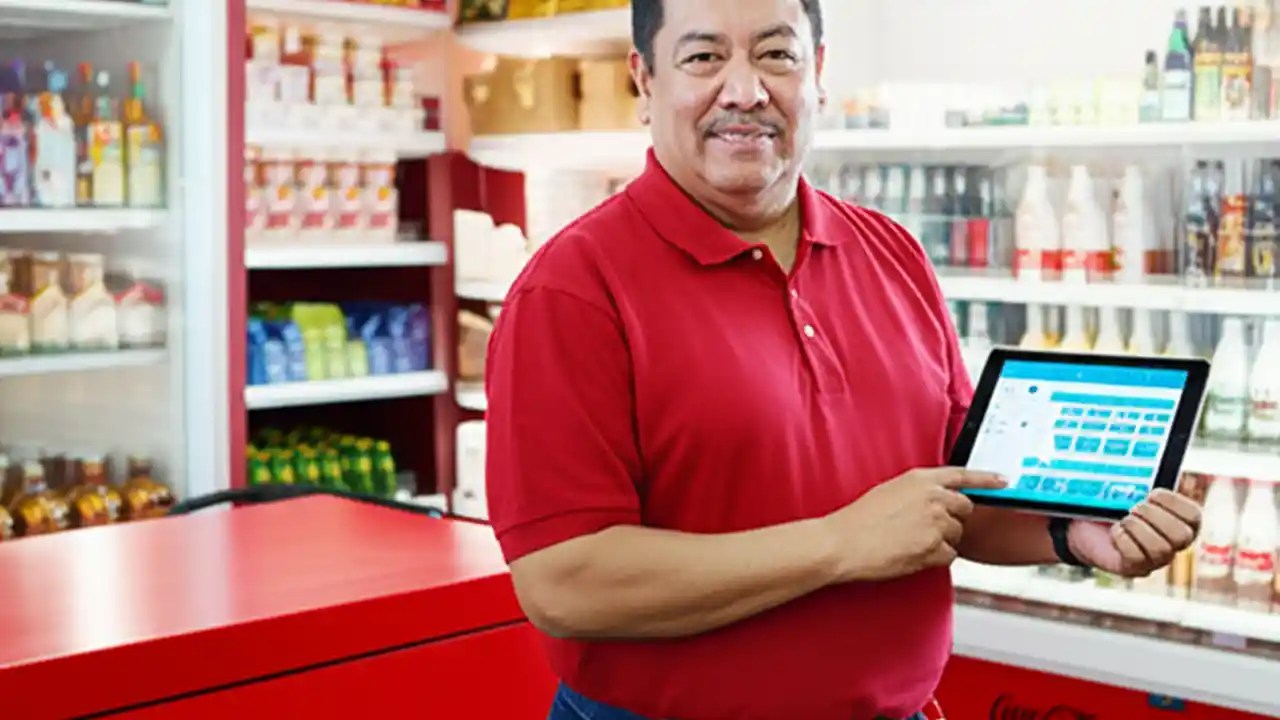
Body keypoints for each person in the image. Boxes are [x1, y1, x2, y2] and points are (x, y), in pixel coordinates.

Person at [483, 1, 1203, 718]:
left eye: (776, 54)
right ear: (644, 81)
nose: (745, 90)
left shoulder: (891, 254)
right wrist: (837, 544)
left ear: (818, 73)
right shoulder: (573, 288)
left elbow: (953, 495)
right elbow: (563, 582)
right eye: (704, 58)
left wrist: (1072, 535)